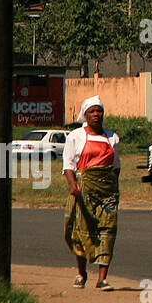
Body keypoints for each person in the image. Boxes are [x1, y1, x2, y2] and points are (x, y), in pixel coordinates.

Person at [62, 96, 121, 290]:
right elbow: (68, 165)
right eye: (92, 111)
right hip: (82, 189)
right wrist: (73, 185)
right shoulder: (75, 137)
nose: (97, 115)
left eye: (99, 111)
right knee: (80, 231)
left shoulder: (112, 137)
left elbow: (116, 167)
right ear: (85, 115)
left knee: (107, 230)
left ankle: (102, 278)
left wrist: (112, 188)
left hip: (106, 192)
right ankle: (81, 273)